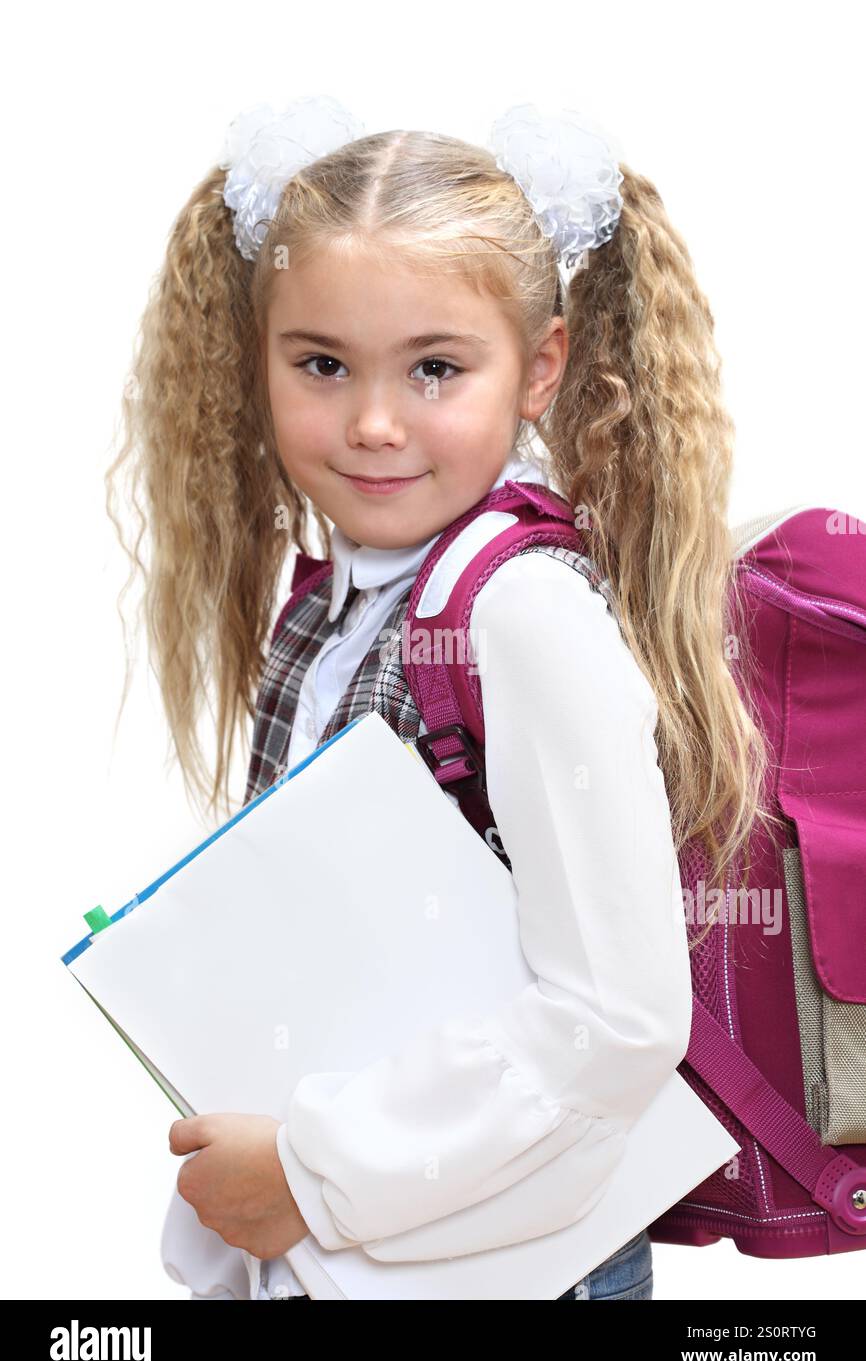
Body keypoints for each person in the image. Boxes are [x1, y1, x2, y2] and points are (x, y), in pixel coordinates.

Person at [107, 98, 771, 1300]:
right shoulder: (323, 607)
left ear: (540, 369)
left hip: (502, 1269)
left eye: (433, 368)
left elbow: (616, 1022)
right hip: (377, 1252)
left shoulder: (519, 613)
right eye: (320, 364)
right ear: (254, 357)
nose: (370, 423)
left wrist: (310, 1175)